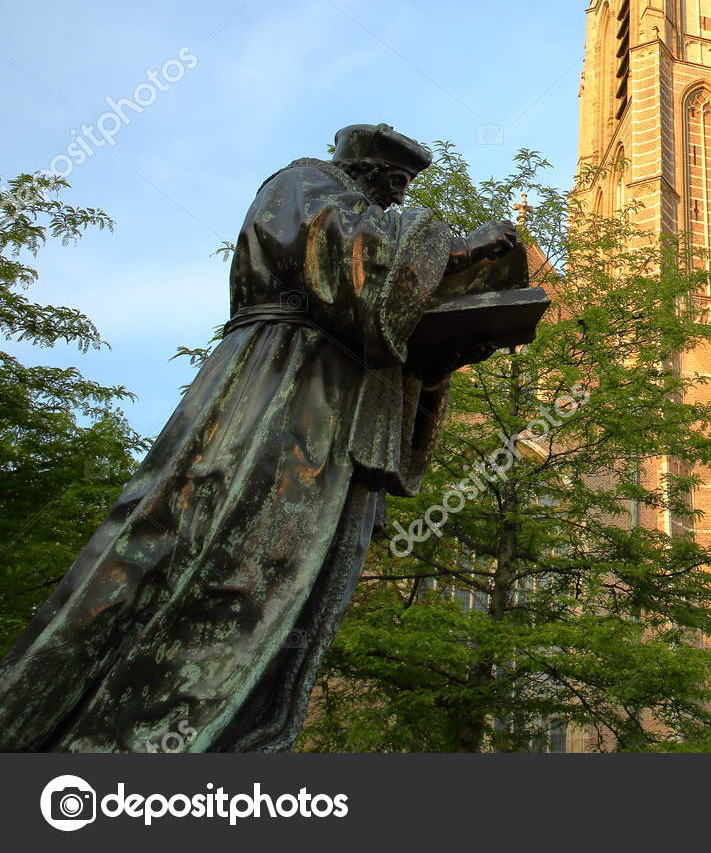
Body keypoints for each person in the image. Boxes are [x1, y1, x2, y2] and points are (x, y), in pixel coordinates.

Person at [0, 124, 518, 752]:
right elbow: (355, 270)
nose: (395, 199)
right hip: (287, 388)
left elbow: (392, 322)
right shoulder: (303, 185)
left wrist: (445, 356)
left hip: (347, 429)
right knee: (229, 564)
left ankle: (241, 743)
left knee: (304, 593)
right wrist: (457, 253)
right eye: (395, 184)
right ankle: (117, 741)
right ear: (365, 168)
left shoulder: (359, 211)